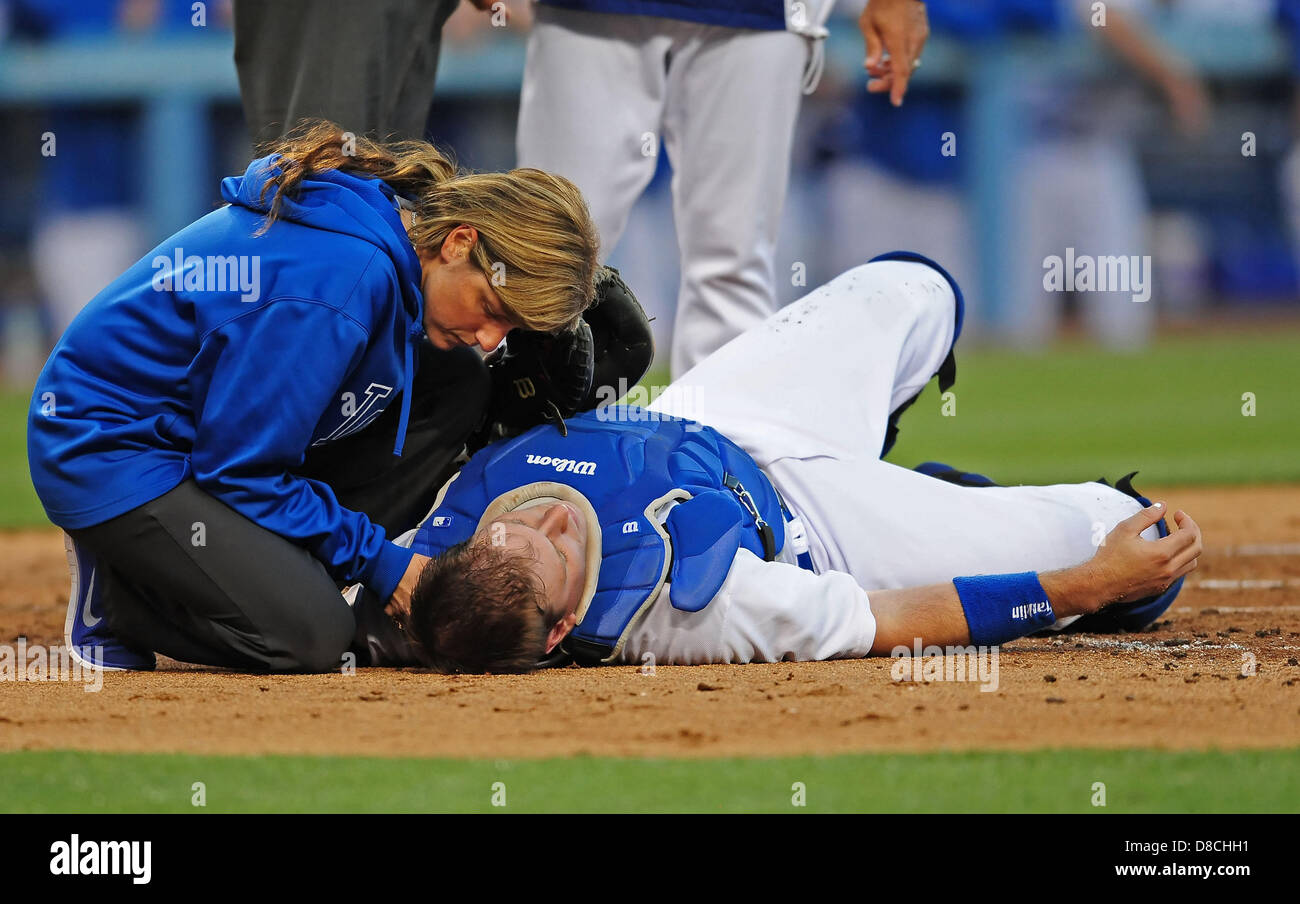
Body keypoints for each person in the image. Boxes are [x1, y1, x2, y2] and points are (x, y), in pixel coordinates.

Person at [382, 253, 1200, 671]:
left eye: (512, 532)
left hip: (703, 421)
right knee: (1126, 530)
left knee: (916, 286)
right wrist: (1089, 587)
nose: (550, 516)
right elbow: (891, 623)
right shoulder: (692, 606)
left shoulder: (444, 534)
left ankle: (876, 449)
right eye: (557, 552)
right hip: (820, 529)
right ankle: (920, 501)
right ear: (563, 629)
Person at [27, 120, 607, 673]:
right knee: (314, 636)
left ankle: (284, 568)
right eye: (492, 309)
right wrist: (382, 563)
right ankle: (123, 598)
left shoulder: (393, 256)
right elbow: (239, 470)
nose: (489, 339)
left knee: (459, 381)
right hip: (110, 447)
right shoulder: (341, 287)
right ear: (459, 242)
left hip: (197, 440)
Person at [516, 0, 931, 377]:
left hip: (760, 13)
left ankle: (720, 445)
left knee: (733, 258)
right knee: (543, 246)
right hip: (592, 10)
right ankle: (512, 433)